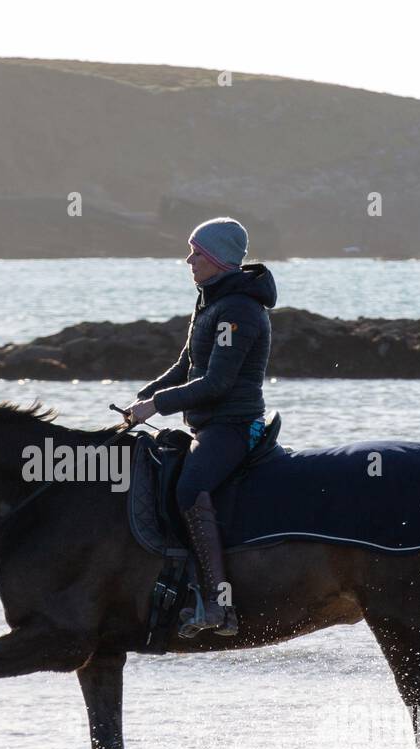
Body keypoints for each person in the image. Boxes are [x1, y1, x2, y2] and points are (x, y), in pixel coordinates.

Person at [126, 217, 276, 637]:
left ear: (217, 259)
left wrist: (157, 406)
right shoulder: (212, 302)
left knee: (189, 490)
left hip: (233, 427)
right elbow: (185, 367)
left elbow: (217, 383)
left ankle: (218, 606)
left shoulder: (237, 312)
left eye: (196, 253)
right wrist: (144, 396)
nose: (188, 260)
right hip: (206, 427)